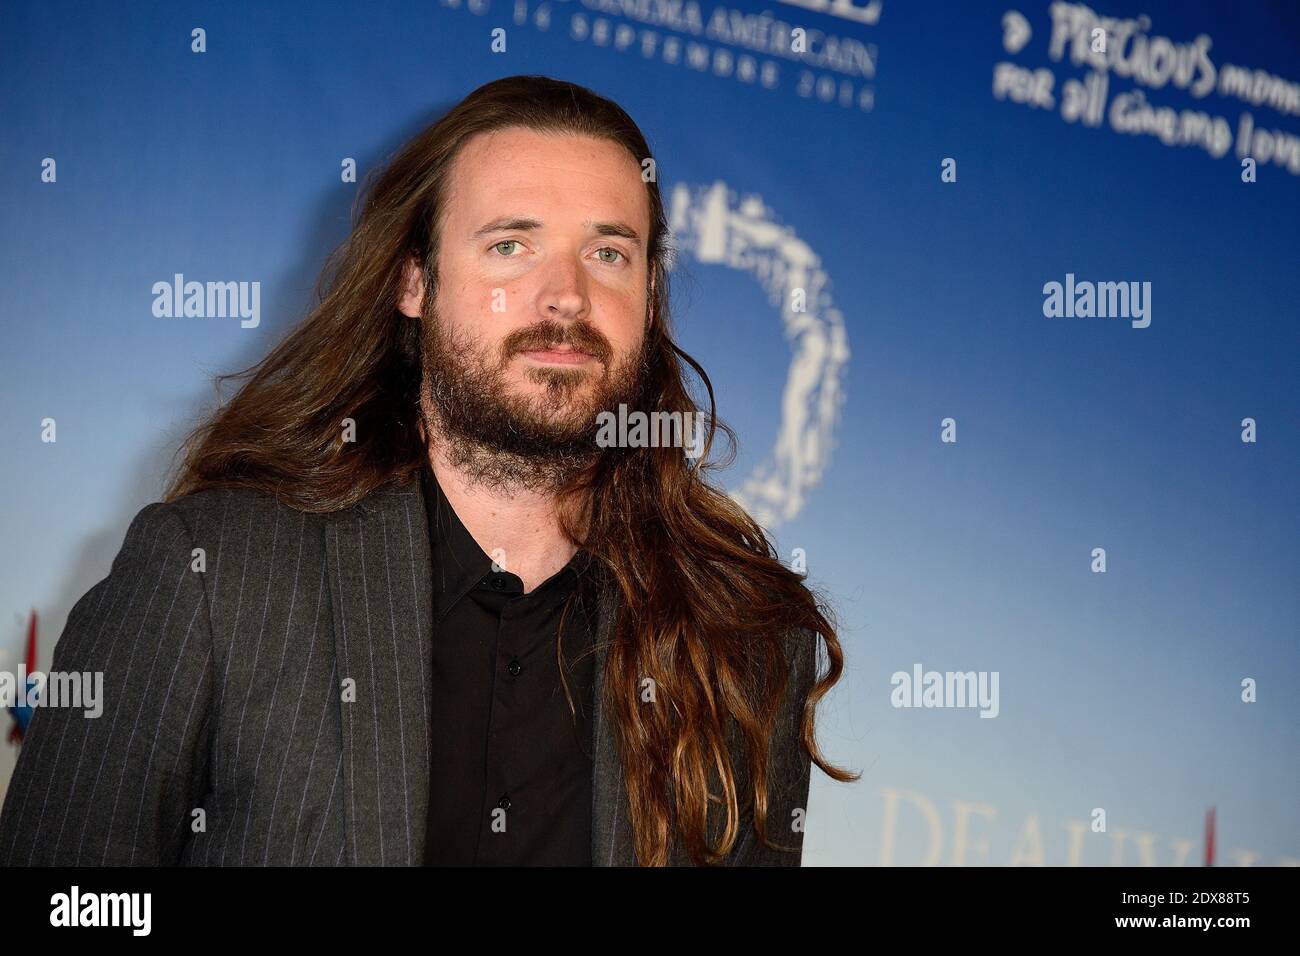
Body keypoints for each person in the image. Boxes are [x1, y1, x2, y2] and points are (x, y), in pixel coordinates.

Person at [0, 74, 855, 867]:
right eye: (511, 245)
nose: (565, 295)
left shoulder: (741, 641)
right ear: (414, 281)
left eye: (609, 254)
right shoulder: (212, 573)